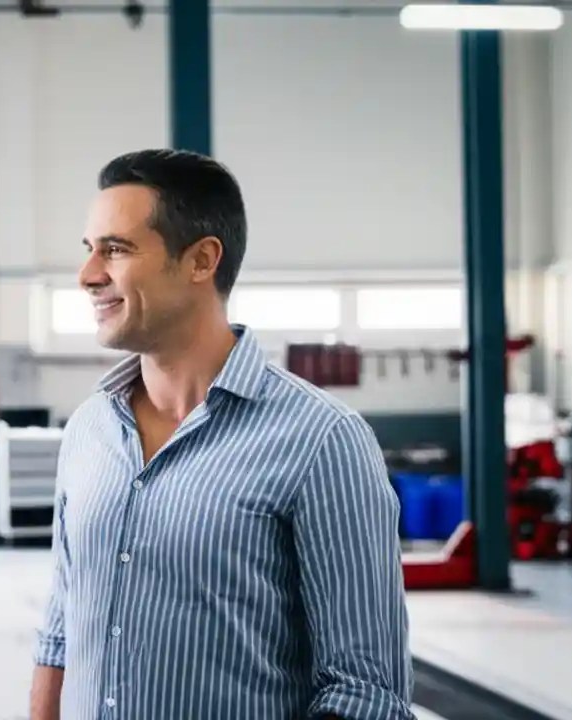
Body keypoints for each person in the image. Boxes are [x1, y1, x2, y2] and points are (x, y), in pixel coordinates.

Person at [28, 149, 414, 720]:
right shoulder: (89, 429)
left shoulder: (320, 440)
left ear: (201, 260)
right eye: (89, 251)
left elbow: (364, 692)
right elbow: (62, 628)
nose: (88, 276)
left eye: (116, 249)